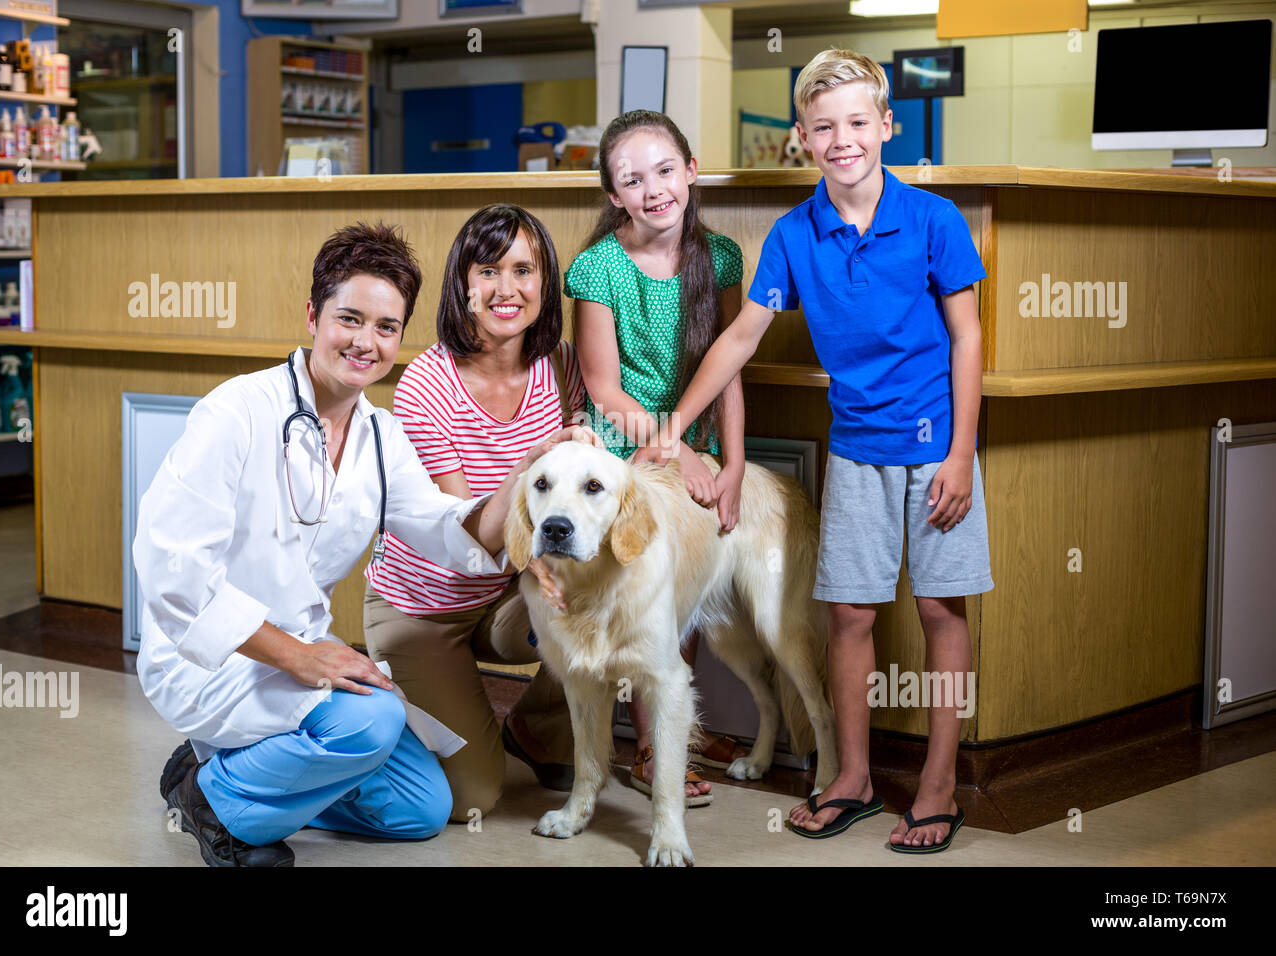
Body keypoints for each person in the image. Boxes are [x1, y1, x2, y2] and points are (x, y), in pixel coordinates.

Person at [134, 221, 590, 867]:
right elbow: (171, 574)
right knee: (373, 723)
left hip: (303, 653)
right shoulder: (235, 412)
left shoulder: (379, 436)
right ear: (314, 315)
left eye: (386, 327)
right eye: (350, 319)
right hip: (216, 659)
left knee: (421, 807)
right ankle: (211, 794)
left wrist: (529, 469)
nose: (365, 342)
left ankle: (249, 765)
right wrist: (296, 657)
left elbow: (448, 529)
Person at [639, 49, 993, 852]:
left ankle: (938, 784)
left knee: (940, 610)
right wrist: (672, 426)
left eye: (859, 123)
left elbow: (967, 337)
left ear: (887, 126)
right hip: (857, 452)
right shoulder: (795, 233)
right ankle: (854, 775)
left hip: (938, 447)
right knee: (848, 616)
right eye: (824, 126)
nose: (843, 140)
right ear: (802, 137)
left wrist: (962, 450)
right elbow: (740, 336)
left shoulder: (934, 220)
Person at [363, 204, 587, 821]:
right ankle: (373, 722)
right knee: (473, 799)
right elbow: (466, 533)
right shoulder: (426, 384)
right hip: (424, 607)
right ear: (462, 283)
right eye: (488, 270)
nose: (507, 289)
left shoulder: (564, 366)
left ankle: (536, 728)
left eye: (524, 269)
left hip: (509, 592)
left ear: (546, 282)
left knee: (597, 593)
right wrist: (531, 463)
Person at [564, 109, 752, 807]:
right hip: (627, 451)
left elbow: (731, 367)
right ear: (613, 195)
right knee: (640, 603)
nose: (653, 190)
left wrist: (729, 462)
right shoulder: (598, 268)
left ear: (692, 171)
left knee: (684, 595)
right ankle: (645, 747)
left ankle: (672, 732)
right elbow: (604, 388)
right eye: (632, 180)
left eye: (665, 171)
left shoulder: (721, 257)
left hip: (694, 445)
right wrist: (674, 452)